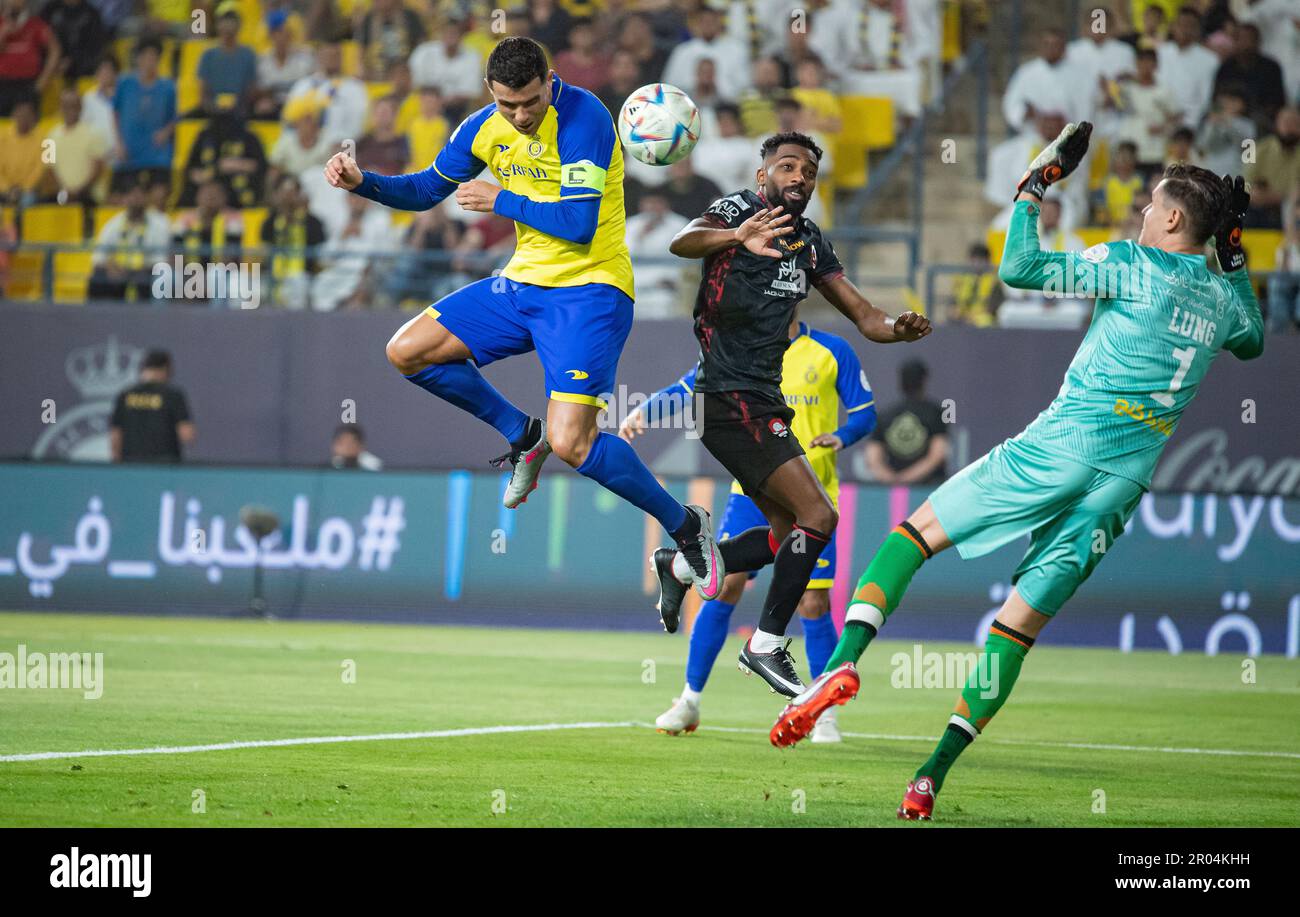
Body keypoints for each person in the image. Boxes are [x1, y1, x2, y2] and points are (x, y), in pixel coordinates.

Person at [770, 123, 1264, 822]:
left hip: (1061, 445)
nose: (1142, 213)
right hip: (1122, 486)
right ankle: (928, 777)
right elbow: (1254, 337)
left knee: (910, 536)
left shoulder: (1128, 262)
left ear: (1174, 219)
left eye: (1151, 205)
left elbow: (1020, 270)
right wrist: (1235, 255)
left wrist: (1032, 189)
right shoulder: (1218, 302)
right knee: (1014, 631)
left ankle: (841, 663)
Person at [323, 37, 726, 594]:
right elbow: (423, 190)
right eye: (507, 105)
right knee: (406, 351)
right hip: (520, 285)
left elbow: (579, 224)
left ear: (550, 81)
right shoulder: (480, 127)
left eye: (530, 102)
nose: (519, 115)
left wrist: (500, 200)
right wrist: (362, 181)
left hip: (591, 291)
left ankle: (685, 526)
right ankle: (520, 433)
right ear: (491, 93)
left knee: (575, 444)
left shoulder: (584, 116)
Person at [645, 128, 930, 698]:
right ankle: (766, 643)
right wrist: (736, 236)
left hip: (760, 398)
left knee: (787, 537)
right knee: (820, 518)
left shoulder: (810, 241)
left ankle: (679, 567)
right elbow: (683, 241)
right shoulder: (737, 210)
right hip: (729, 396)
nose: (800, 177)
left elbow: (863, 313)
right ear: (763, 175)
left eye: (809, 172)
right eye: (789, 166)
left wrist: (895, 329)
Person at [625, 311, 877, 741]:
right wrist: (645, 411)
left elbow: (865, 414)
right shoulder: (743, 348)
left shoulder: (834, 351)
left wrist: (843, 437)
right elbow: (690, 386)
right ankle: (688, 700)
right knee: (724, 586)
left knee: (813, 603)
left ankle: (822, 713)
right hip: (752, 489)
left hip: (811, 494)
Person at [866, 359, 949, 487]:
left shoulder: (885, 414)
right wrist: (906, 479)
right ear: (924, 381)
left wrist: (893, 479)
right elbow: (938, 454)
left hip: (898, 490)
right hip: (928, 490)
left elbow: (873, 459)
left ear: (900, 382)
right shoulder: (937, 412)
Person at [88, 175, 169, 301]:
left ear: (147, 197)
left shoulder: (160, 222)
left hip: (147, 271)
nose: (136, 199)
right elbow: (98, 257)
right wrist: (110, 266)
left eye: (140, 194)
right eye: (131, 195)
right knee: (97, 278)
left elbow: (162, 259)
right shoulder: (113, 224)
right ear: (124, 199)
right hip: (119, 272)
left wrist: (137, 271)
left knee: (158, 277)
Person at [110, 349, 196, 462]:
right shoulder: (173, 395)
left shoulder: (125, 395)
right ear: (166, 369)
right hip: (165, 466)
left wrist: (117, 463)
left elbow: (115, 435)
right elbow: (186, 435)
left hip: (131, 465)